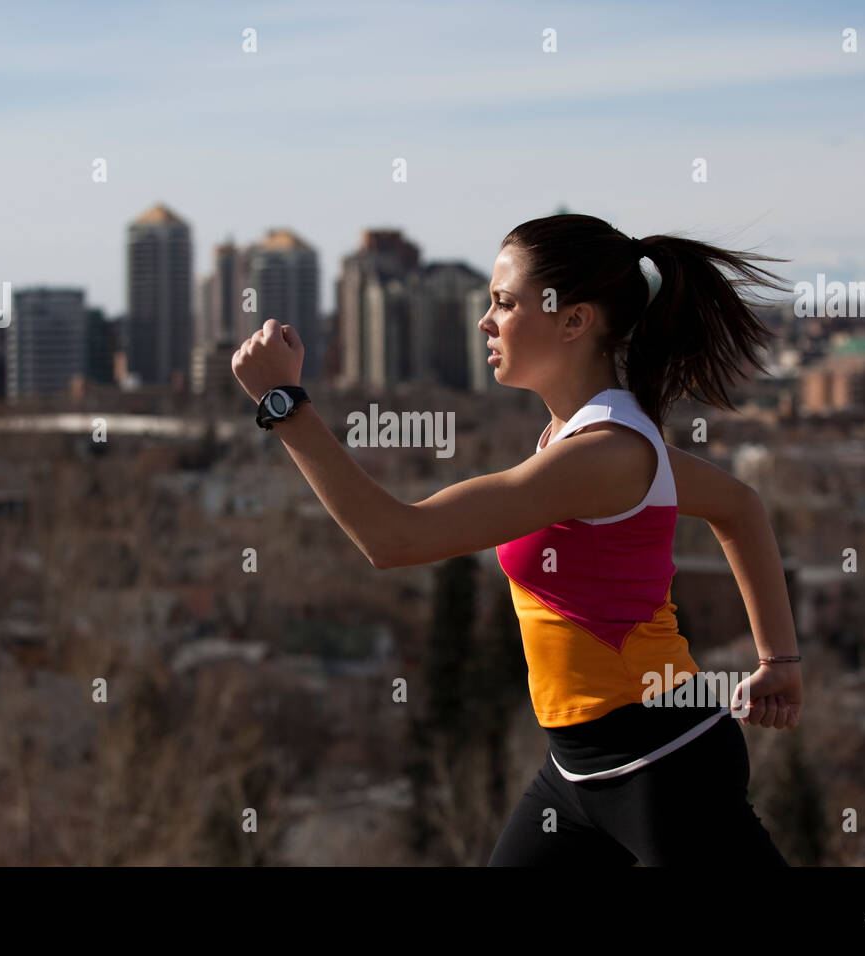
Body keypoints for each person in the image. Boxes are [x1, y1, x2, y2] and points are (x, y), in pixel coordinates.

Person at [231, 213, 801, 866]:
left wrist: (285, 405)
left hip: (662, 767)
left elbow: (393, 538)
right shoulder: (593, 442)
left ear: (573, 320)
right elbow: (738, 506)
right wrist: (779, 663)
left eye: (504, 302)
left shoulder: (602, 456)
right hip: (577, 771)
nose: (486, 321)